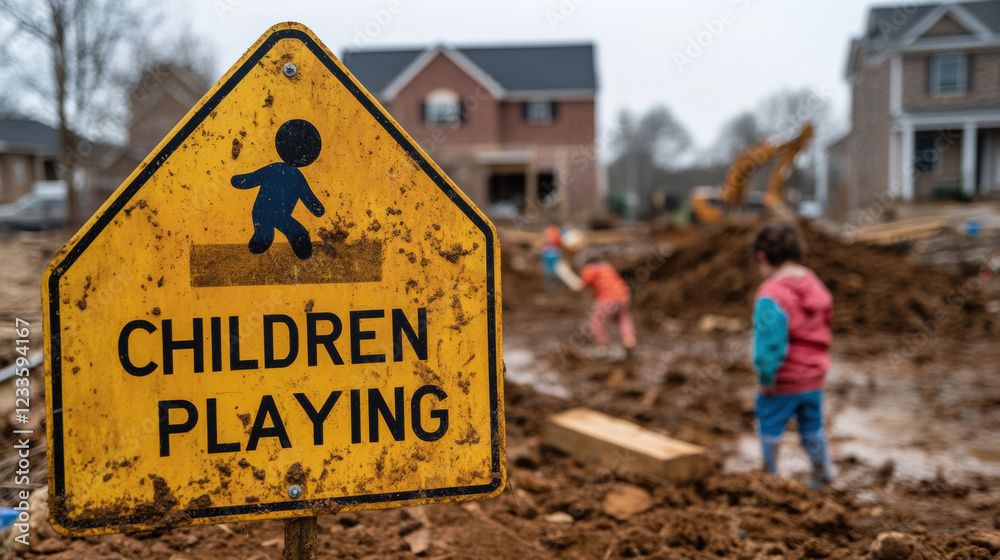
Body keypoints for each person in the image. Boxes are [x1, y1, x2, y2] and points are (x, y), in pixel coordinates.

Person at [751, 221, 833, 490]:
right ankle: (821, 473)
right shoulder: (814, 284)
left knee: (770, 424)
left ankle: (769, 475)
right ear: (801, 254)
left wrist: (766, 376)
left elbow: (769, 345)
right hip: (814, 377)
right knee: (812, 425)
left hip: (783, 380)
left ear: (762, 257)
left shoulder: (770, 295)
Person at [574, 256, 636, 357]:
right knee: (622, 319)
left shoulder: (589, 269)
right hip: (624, 296)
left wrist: (579, 286)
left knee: (597, 322)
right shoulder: (607, 267)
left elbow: (584, 283)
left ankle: (603, 346)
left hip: (607, 298)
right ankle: (629, 340)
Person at [541, 223, 563, 290]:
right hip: (555, 251)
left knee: (548, 269)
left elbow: (545, 240)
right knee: (555, 268)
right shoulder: (557, 231)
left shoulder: (547, 230)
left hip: (547, 251)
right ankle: (554, 284)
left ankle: (549, 284)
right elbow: (559, 241)